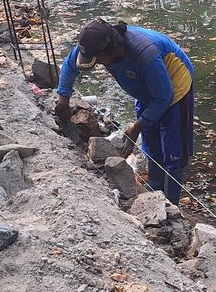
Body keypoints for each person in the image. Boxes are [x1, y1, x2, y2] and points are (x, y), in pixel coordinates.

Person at [55, 19, 195, 204]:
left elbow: (163, 97)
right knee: (150, 138)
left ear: (114, 49)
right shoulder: (95, 43)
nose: (98, 65)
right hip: (148, 87)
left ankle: (172, 203)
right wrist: (63, 98)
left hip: (174, 87)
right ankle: (156, 186)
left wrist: (136, 127)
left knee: (172, 149)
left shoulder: (145, 54)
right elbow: (70, 65)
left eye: (100, 61)